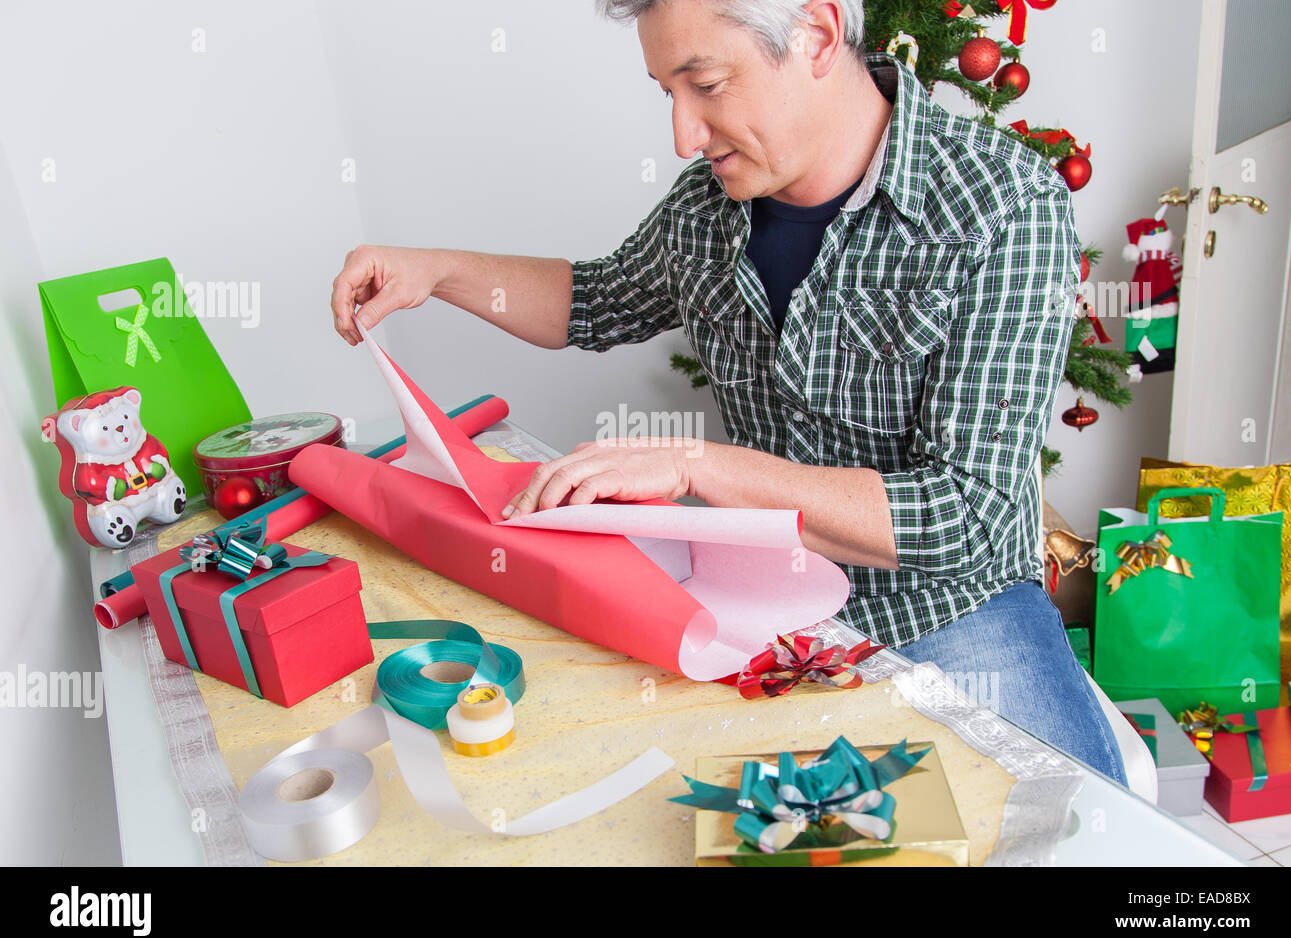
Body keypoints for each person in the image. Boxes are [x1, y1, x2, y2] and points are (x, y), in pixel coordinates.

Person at [329, 0, 1127, 786]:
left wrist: (692, 465)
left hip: (956, 610)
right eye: (666, 93)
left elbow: (968, 516)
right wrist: (436, 270)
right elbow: (596, 300)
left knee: (1080, 833)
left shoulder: (1003, 203)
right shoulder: (704, 207)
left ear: (816, 34)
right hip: (766, 603)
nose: (683, 134)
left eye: (706, 85)